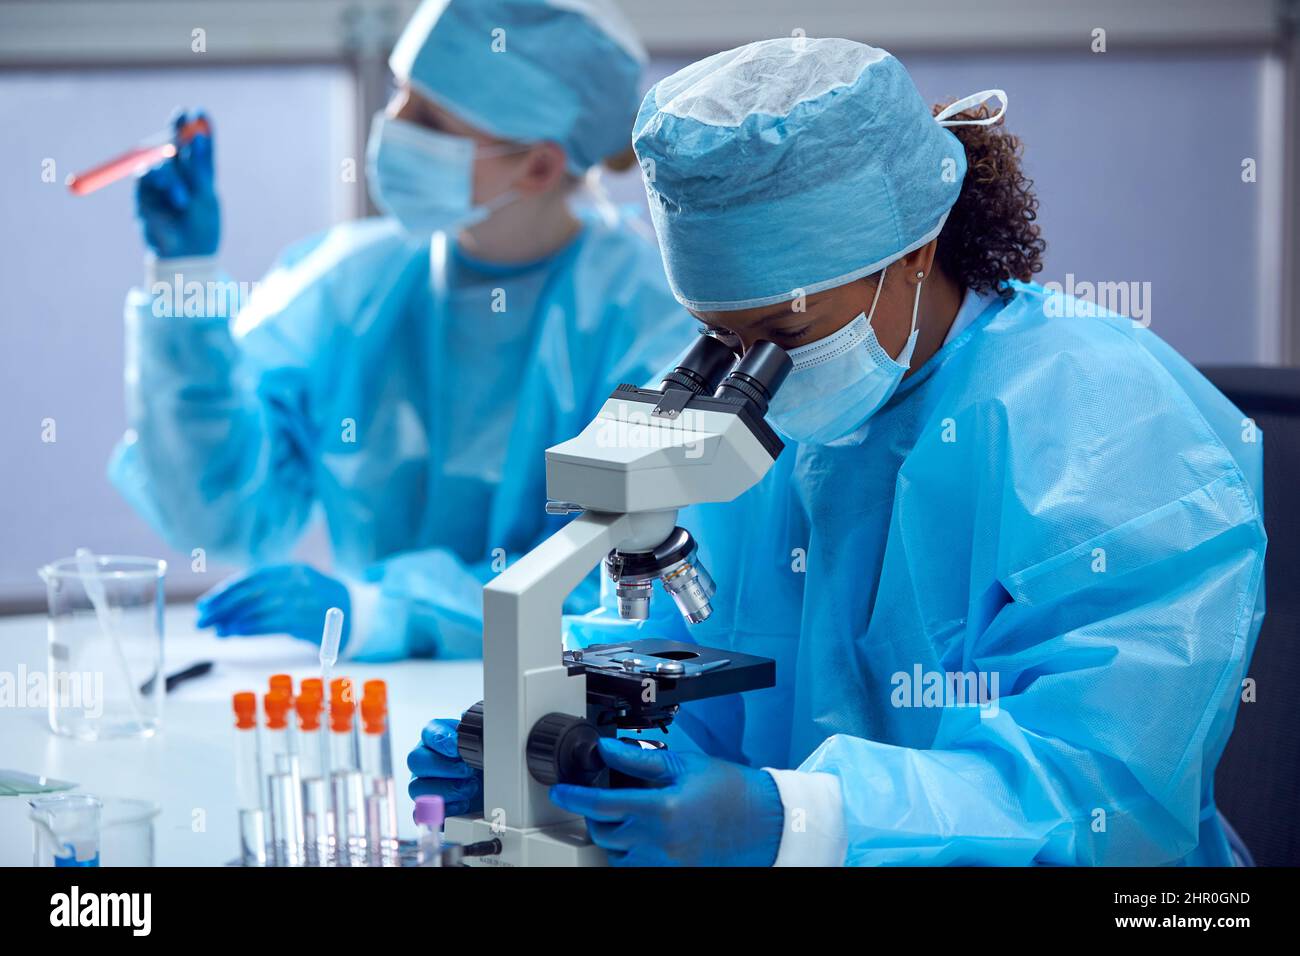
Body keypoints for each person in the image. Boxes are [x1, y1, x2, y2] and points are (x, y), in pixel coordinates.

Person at [409, 38, 1266, 866]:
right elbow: (665, 658)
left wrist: (797, 820)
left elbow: (1103, 795)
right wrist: (569, 757)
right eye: (719, 335)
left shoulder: (1108, 426)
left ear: (917, 252)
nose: (750, 375)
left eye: (785, 331)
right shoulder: (736, 424)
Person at [110, 0, 694, 659]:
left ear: (537, 166)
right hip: (379, 697)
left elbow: (626, 585)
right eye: (398, 95)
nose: (391, 127)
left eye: (430, 120)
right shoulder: (352, 284)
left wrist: (386, 613)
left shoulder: (650, 319)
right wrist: (183, 276)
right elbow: (217, 508)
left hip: (564, 708)